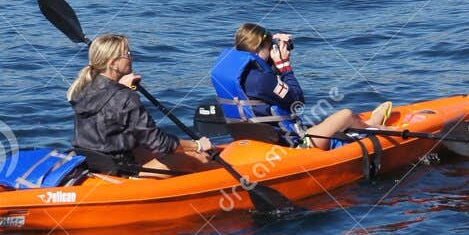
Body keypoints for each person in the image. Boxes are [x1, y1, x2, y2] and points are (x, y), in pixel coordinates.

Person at [211, 24, 392, 145]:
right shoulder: (260, 79)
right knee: (346, 115)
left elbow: (263, 93)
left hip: (254, 142)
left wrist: (273, 67)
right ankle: (382, 130)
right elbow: (296, 100)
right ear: (261, 48)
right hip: (292, 145)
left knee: (327, 123)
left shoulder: (237, 74)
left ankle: (371, 123)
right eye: (269, 47)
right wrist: (285, 66)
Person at [68, 34, 216, 177]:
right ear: (113, 64)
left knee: (142, 147)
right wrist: (196, 145)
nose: (132, 57)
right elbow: (159, 143)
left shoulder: (82, 89)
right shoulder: (125, 98)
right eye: (127, 54)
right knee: (197, 158)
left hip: (94, 165)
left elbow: (108, 108)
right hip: (122, 171)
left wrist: (120, 88)